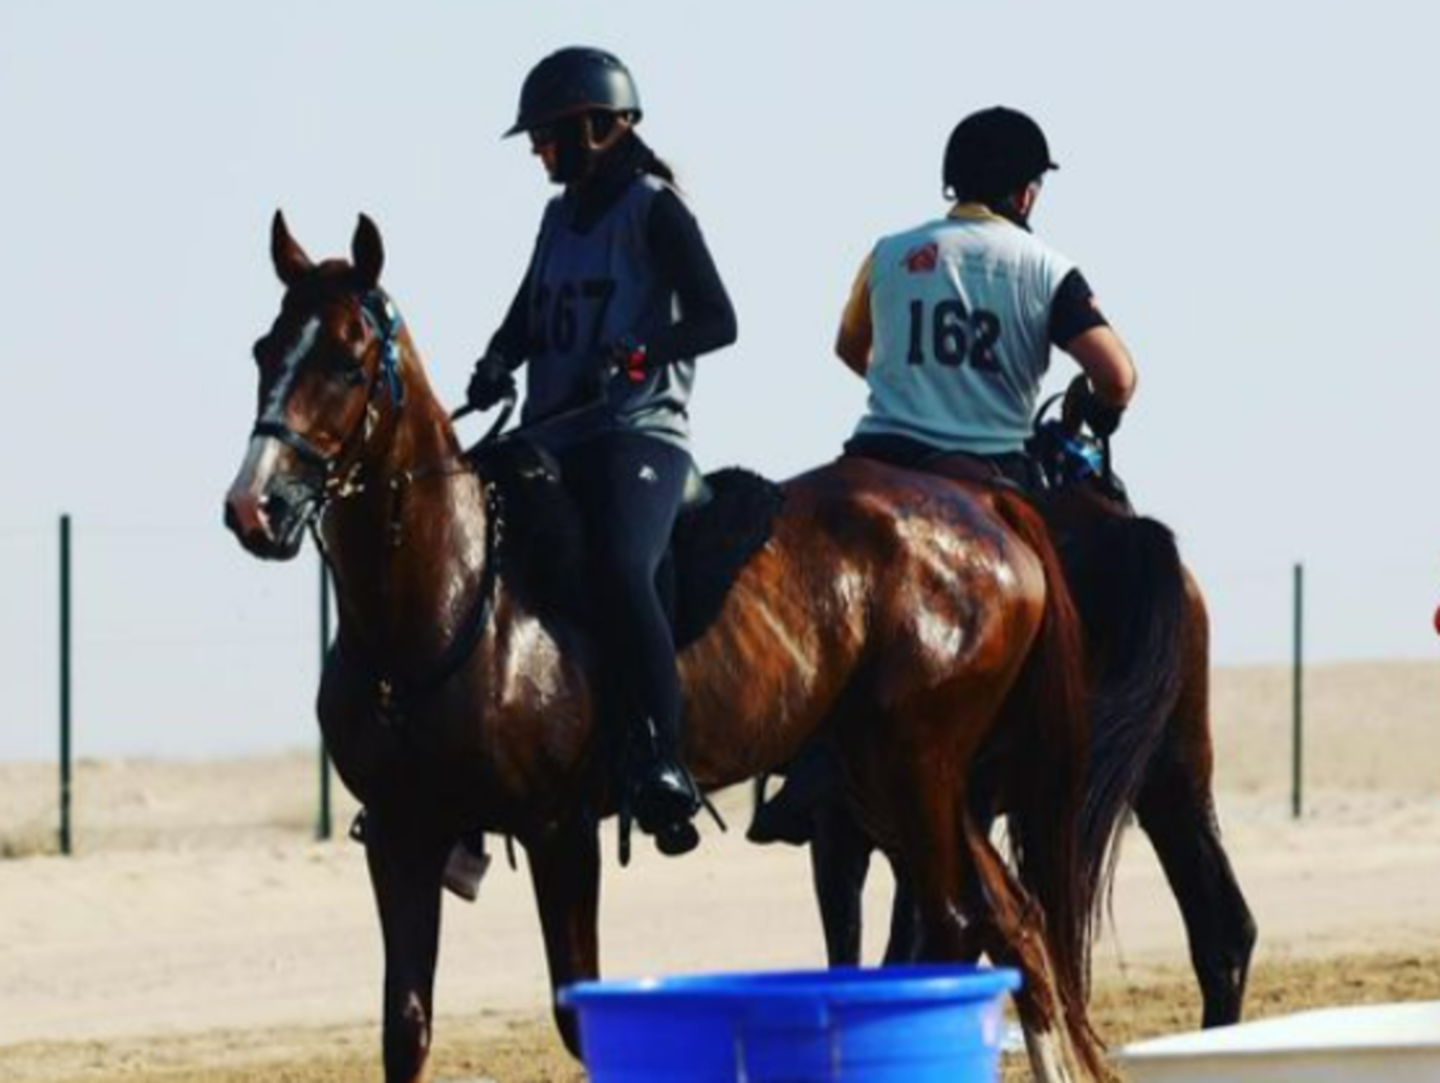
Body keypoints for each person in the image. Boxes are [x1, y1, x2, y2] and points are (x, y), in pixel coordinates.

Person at [749, 106, 1136, 845]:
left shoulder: (891, 252)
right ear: (1025, 192)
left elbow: (850, 348)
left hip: (878, 455)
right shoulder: (1045, 267)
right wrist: (1091, 409)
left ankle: (808, 758)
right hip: (989, 472)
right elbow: (1117, 374)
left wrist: (912, 383)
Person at [464, 46, 738, 858]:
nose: (537, 151)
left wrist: (646, 349)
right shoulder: (558, 217)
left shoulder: (656, 209)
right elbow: (527, 315)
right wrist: (496, 359)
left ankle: (661, 757)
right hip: (550, 431)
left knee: (622, 566)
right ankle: (455, 776)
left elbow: (719, 320)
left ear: (597, 126)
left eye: (546, 135)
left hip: (636, 432)